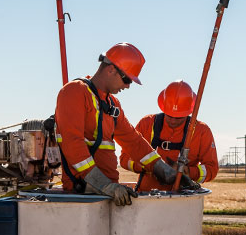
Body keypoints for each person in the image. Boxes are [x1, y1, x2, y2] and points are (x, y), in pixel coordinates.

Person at [54, 42, 173, 206]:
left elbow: (133, 140)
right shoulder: (74, 92)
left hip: (108, 194)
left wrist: (163, 169)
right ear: (110, 69)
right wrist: (104, 185)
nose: (128, 86)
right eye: (126, 79)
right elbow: (73, 145)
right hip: (81, 194)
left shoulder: (112, 104)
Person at [120, 80, 219, 191]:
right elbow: (124, 159)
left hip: (182, 200)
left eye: (178, 117)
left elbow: (212, 169)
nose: (172, 121)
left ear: (189, 112)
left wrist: (187, 171)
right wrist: (153, 168)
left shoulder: (201, 131)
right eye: (169, 115)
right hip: (146, 198)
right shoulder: (147, 124)